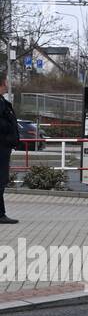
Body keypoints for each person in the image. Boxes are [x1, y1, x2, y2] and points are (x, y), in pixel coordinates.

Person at [0, 75, 20, 223]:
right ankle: (1, 215)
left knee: (2, 180)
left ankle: (1, 213)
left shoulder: (3, 102)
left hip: (4, 146)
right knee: (1, 180)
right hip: (1, 146)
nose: (7, 85)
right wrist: (8, 130)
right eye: (5, 83)